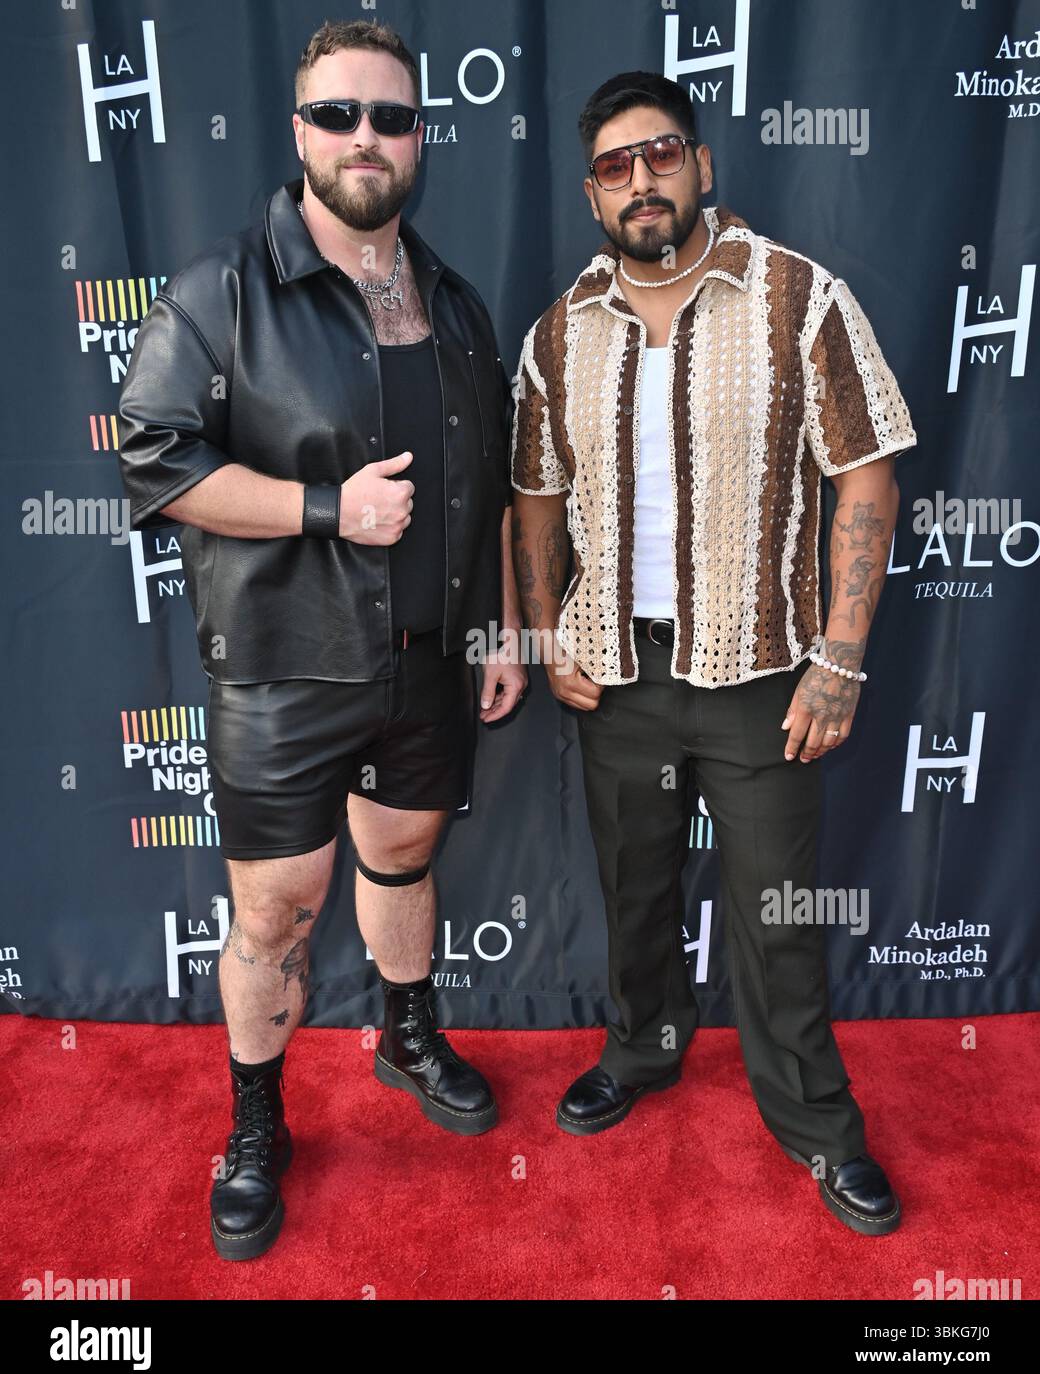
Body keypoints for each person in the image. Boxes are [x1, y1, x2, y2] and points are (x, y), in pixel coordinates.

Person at [117, 19, 525, 1262]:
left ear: (418, 137)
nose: (366, 138)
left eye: (391, 117)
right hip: (284, 666)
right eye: (340, 115)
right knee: (280, 914)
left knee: (400, 862)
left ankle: (405, 1034)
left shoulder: (453, 300)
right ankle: (255, 1122)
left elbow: (487, 482)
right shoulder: (220, 287)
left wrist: (503, 619)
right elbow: (154, 460)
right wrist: (320, 509)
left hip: (426, 660)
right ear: (299, 132)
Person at [509, 71, 917, 1236]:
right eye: (612, 165)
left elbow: (865, 474)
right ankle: (638, 1052)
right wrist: (546, 635)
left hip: (759, 675)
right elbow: (534, 500)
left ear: (700, 166)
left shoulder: (799, 299)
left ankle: (816, 1124)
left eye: (659, 154)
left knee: (775, 914)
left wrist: (838, 658)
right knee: (635, 890)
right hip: (617, 675)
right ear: (591, 194)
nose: (639, 180)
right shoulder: (558, 331)